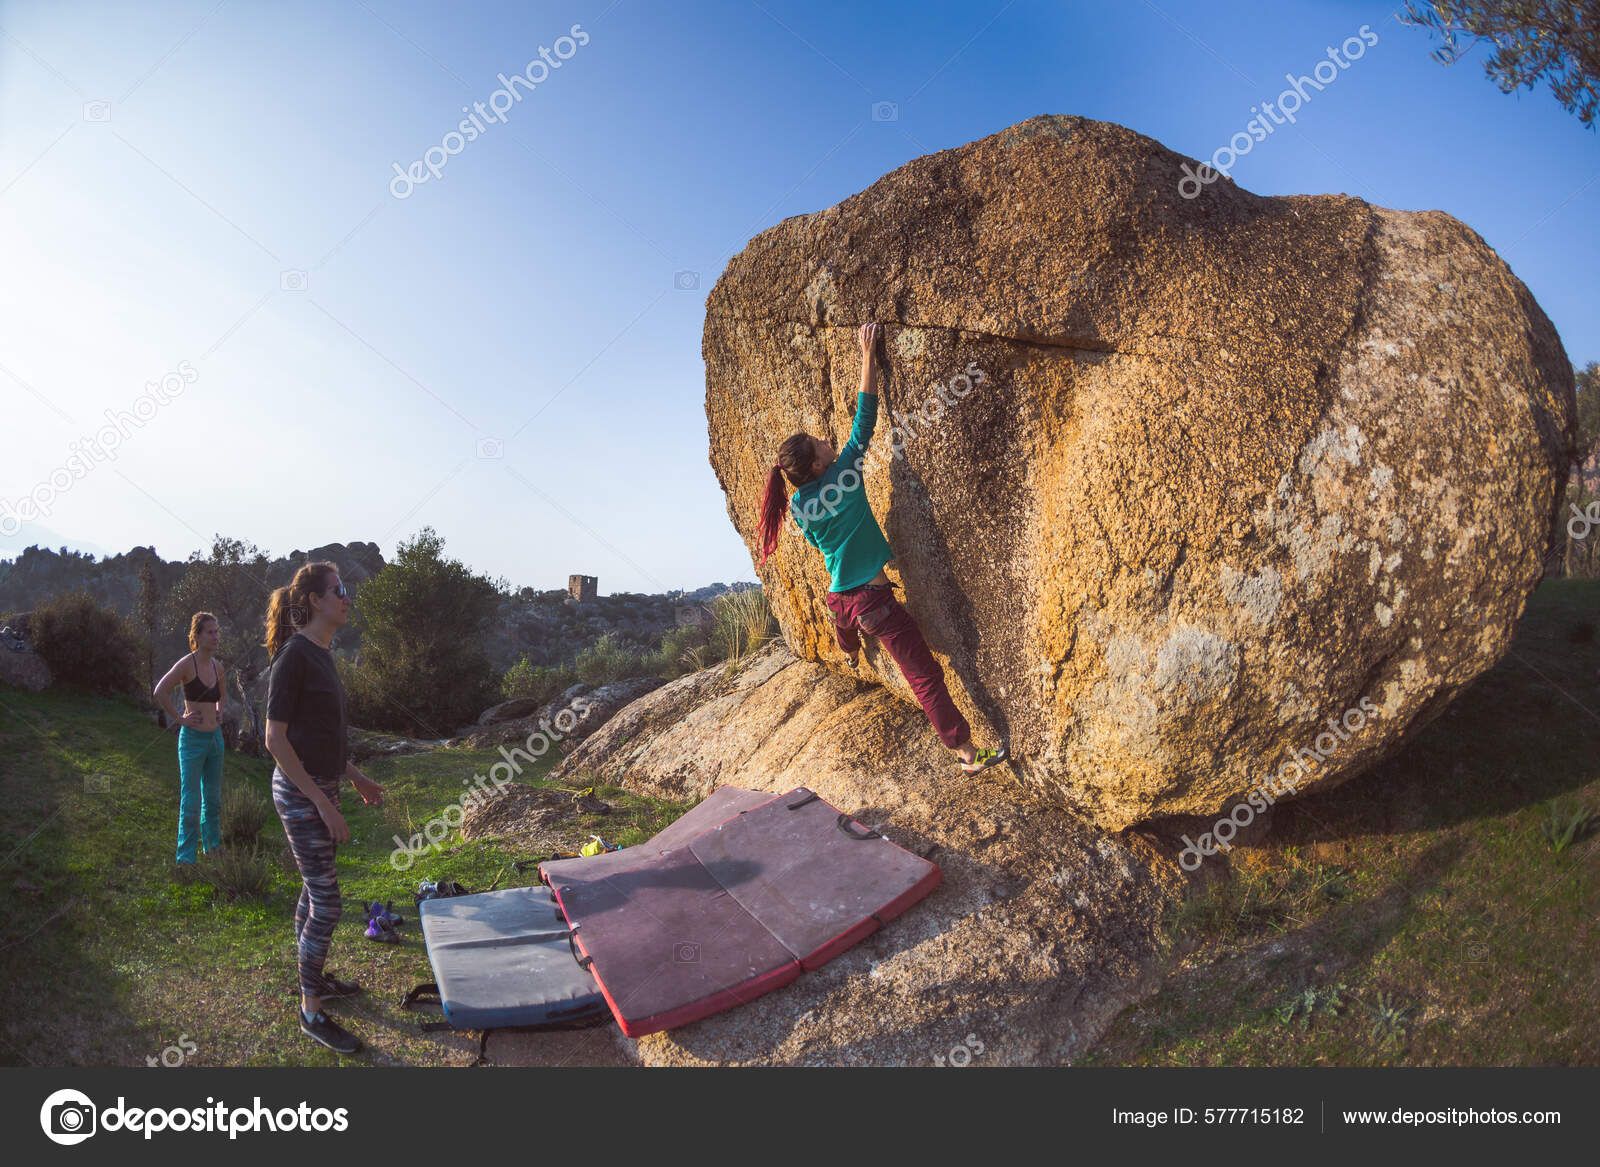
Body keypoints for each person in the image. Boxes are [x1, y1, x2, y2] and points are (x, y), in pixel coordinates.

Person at [757, 320, 1009, 777]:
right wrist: (867, 356)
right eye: (819, 443)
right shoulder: (846, 474)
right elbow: (864, 420)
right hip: (873, 604)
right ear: (817, 464)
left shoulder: (799, 505)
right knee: (926, 677)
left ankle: (848, 647)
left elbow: (817, 542)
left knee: (846, 622)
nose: (826, 438)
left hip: (843, 600)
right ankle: (967, 754)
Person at [263, 561, 384, 1055]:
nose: (347, 598)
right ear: (314, 599)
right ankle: (311, 1012)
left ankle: (310, 979)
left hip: (321, 786)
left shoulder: (321, 654)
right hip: (299, 792)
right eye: (340, 590)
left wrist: (353, 777)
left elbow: (320, 734)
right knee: (328, 902)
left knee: (315, 894)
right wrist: (320, 801)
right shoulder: (294, 657)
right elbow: (275, 738)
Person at [152, 612, 228, 865]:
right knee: (191, 800)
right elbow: (160, 691)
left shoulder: (218, 667)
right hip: (192, 741)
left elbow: (223, 695)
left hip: (215, 739)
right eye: (210, 632)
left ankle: (212, 848)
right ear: (197, 636)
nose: (216, 637)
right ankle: (185, 859)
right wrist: (179, 718)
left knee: (214, 799)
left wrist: (219, 712)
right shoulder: (186, 664)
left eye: (217, 632)